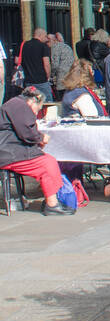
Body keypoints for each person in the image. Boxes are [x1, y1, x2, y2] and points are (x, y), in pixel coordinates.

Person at [0, 86, 74, 215]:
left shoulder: (16, 104)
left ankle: (52, 199)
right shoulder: (20, 106)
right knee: (45, 164)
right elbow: (27, 132)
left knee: (48, 161)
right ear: (32, 102)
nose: (36, 113)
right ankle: (52, 204)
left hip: (10, 150)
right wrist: (41, 138)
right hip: (8, 153)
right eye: (38, 109)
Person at [18, 28, 52, 99]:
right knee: (47, 103)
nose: (46, 39)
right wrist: (48, 76)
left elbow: (17, 60)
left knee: (30, 102)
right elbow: (46, 64)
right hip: (41, 80)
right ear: (40, 35)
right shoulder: (43, 46)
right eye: (45, 36)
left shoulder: (24, 45)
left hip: (28, 80)